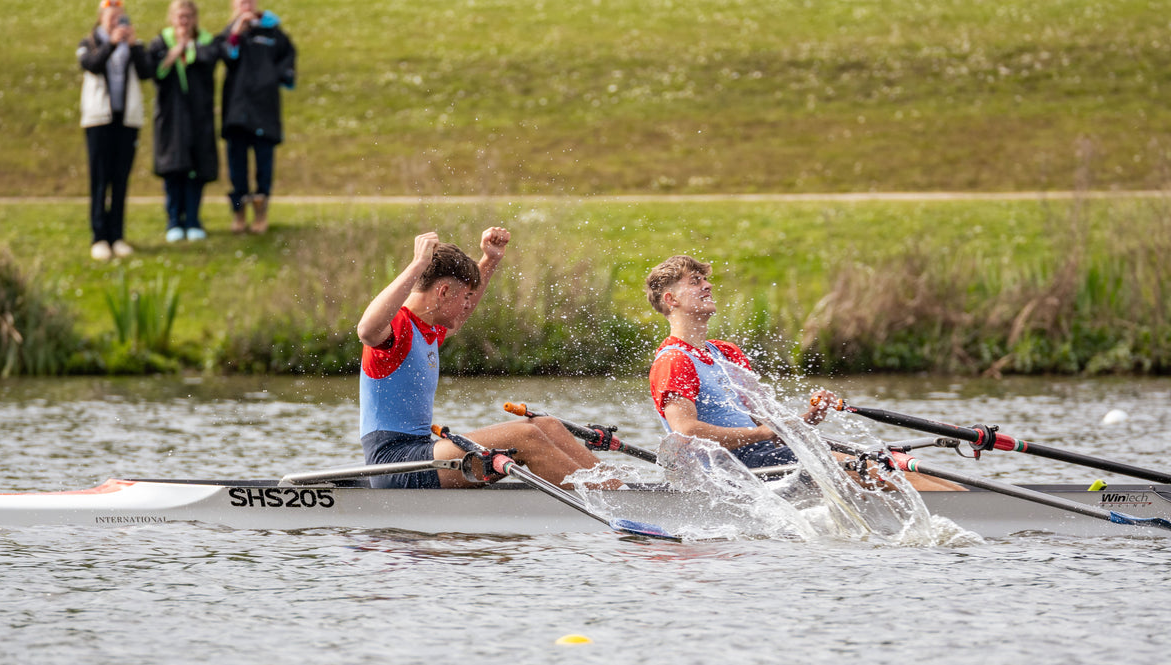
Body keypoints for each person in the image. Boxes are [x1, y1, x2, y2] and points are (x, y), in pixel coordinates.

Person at [644, 255, 961, 491]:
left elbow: (764, 417)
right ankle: (980, 513)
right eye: (695, 281)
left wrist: (807, 417)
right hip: (733, 469)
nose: (708, 285)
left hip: (768, 453)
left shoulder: (725, 353)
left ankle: (973, 500)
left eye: (705, 279)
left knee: (883, 462)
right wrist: (764, 435)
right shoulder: (674, 360)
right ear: (671, 300)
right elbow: (685, 431)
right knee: (872, 469)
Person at [357, 229, 618, 490]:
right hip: (393, 462)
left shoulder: (429, 328)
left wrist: (490, 259)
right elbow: (366, 330)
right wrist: (418, 264)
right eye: (465, 297)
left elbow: (457, 318)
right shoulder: (397, 329)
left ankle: (620, 492)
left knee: (547, 425)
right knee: (526, 436)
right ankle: (613, 505)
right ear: (444, 292)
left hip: (422, 452)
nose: (468, 306)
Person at [77, 0, 152, 261]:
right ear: (101, 18)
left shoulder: (132, 45)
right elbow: (93, 65)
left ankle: (117, 235)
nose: (117, 23)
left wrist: (131, 46)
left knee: (120, 179)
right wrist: (111, 43)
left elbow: (146, 73)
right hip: (99, 120)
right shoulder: (89, 43)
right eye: (111, 18)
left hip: (126, 121)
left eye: (121, 18)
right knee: (100, 179)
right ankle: (99, 237)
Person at [218, 0, 296, 234]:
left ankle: (261, 214)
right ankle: (239, 214)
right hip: (237, 109)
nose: (247, 4)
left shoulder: (273, 32)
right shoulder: (231, 32)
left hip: (264, 109)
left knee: (264, 163)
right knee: (237, 166)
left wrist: (272, 76)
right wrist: (236, 32)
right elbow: (225, 56)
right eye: (242, 1)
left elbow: (288, 61)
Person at [148, 0, 219, 243]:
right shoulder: (160, 42)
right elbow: (153, 72)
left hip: (199, 116)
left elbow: (210, 60)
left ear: (195, 18)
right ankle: (173, 220)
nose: (184, 21)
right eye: (180, 16)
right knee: (174, 169)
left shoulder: (206, 42)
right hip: (171, 117)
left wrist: (190, 47)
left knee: (195, 170)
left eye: (188, 16)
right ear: (172, 18)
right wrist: (173, 54)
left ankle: (193, 219)